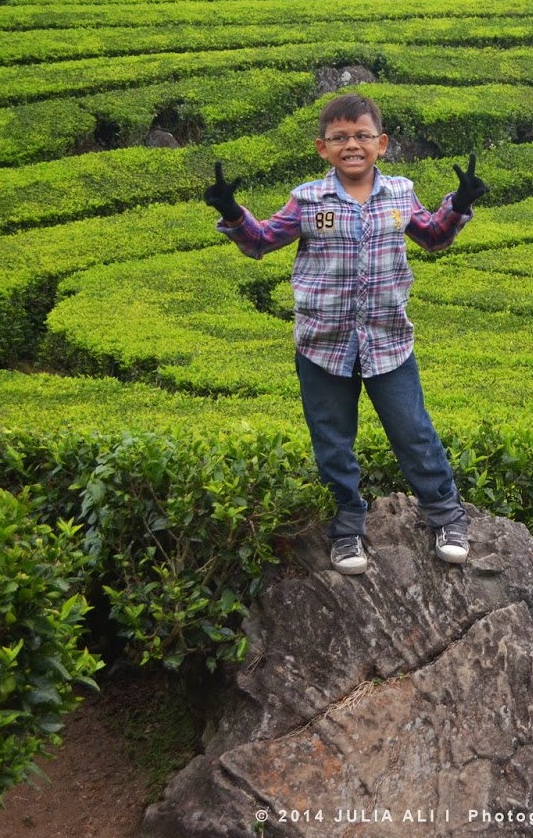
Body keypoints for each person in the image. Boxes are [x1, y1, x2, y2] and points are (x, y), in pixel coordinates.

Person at [203, 93, 489, 576]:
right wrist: (233, 212)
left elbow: (434, 236)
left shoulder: (400, 192)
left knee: (414, 433)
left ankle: (446, 516)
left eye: (361, 136)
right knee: (333, 442)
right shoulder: (308, 199)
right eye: (339, 138)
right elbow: (260, 241)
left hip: (388, 341)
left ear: (382, 143)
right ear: (322, 147)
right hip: (323, 345)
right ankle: (349, 527)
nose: (351, 145)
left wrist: (459, 203)